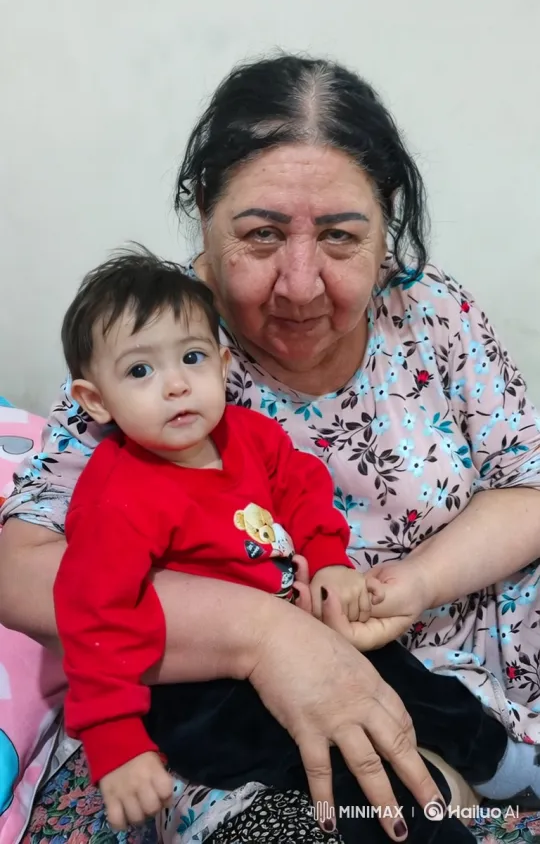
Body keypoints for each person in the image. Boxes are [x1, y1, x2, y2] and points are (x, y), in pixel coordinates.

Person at [0, 54, 539, 844]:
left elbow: (525, 483)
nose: (300, 284)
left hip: (459, 647)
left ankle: (482, 762)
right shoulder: (153, 347)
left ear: (386, 221)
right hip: (245, 700)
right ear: (204, 214)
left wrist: (414, 582)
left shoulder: (433, 312)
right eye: (261, 235)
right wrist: (265, 635)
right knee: (352, 816)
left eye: (341, 237)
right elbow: (21, 574)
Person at [54, 248, 530, 841]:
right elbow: (91, 617)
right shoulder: (115, 497)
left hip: (305, 630)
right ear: (95, 400)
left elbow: (302, 492)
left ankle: (499, 763)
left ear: (221, 365)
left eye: (192, 359)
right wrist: (115, 741)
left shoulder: (246, 434)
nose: (176, 385)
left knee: (410, 682)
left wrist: (329, 562)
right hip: (204, 695)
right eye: (139, 372)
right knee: (350, 772)